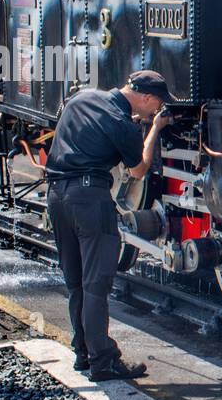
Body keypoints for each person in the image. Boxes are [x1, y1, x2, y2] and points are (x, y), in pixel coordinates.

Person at [44, 70, 172, 381]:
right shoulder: (121, 121)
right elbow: (139, 170)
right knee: (96, 283)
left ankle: (83, 353)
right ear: (146, 97)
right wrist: (154, 129)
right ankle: (103, 361)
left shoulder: (82, 98)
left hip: (56, 196)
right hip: (89, 199)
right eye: (156, 104)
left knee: (75, 281)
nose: (156, 109)